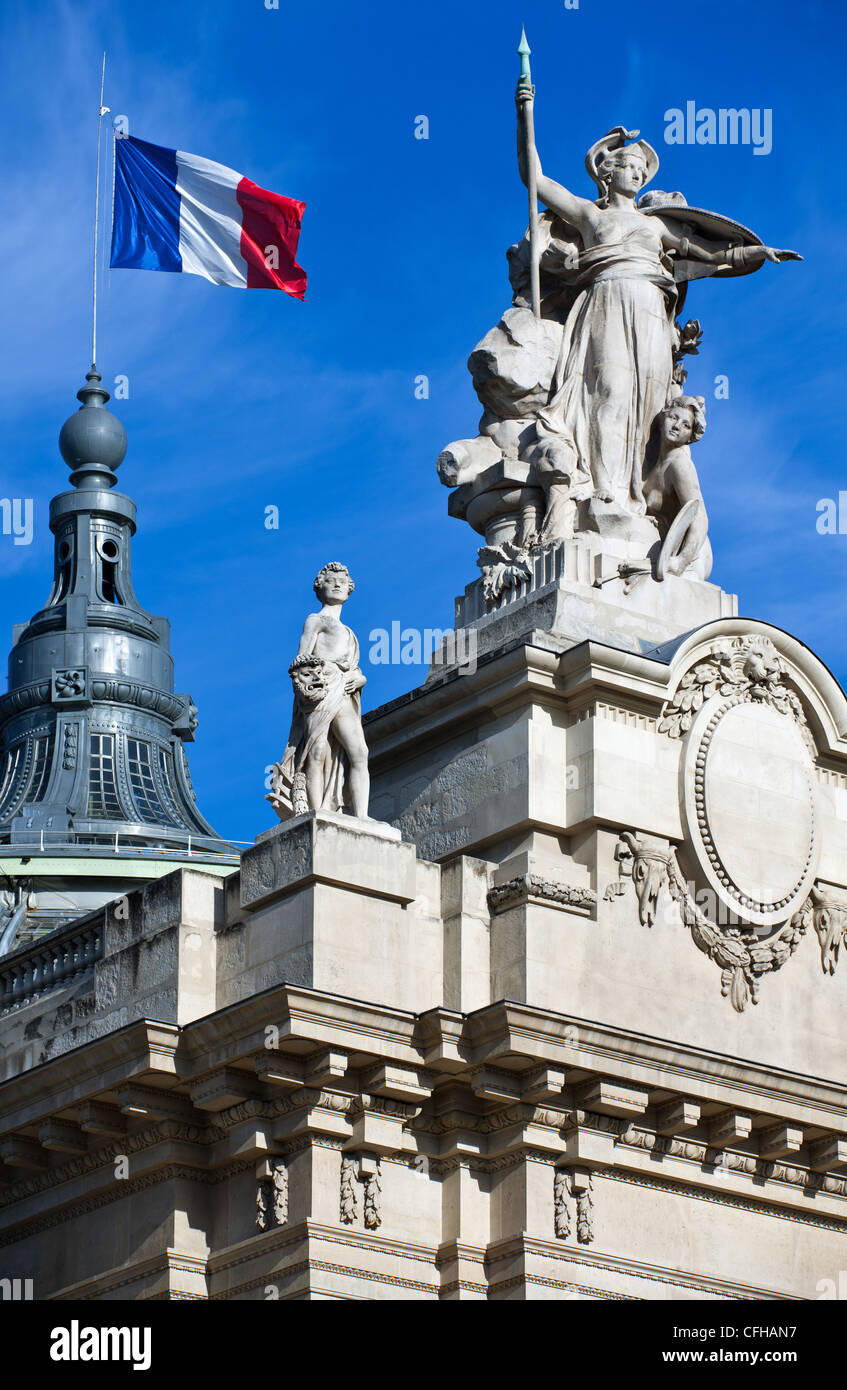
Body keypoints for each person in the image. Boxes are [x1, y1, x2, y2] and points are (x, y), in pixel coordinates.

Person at [515, 87, 800, 518]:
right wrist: (525, 111)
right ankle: (604, 489)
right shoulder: (592, 216)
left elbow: (710, 254)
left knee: (647, 401)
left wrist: (758, 253)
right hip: (607, 300)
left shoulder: (655, 226)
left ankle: (639, 494)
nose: (635, 173)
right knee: (609, 391)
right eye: (627, 166)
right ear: (606, 175)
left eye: (639, 169)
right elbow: (534, 179)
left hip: (650, 308)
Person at [267, 562, 370, 821]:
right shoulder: (315, 620)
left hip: (344, 688)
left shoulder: (349, 631)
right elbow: (301, 660)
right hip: (321, 687)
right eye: (331, 580)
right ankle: (318, 812)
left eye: (342, 581)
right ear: (319, 586)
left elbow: (353, 668)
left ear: (350, 589)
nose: (337, 584)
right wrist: (308, 688)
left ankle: (362, 815)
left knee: (359, 752)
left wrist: (360, 677)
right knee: (317, 750)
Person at [642, 396, 711, 578]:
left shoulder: (679, 464)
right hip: (665, 550)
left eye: (686, 425)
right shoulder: (650, 461)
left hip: (691, 554)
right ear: (664, 417)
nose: (677, 426)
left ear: (690, 436)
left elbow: (699, 516)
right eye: (674, 418)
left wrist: (682, 560)